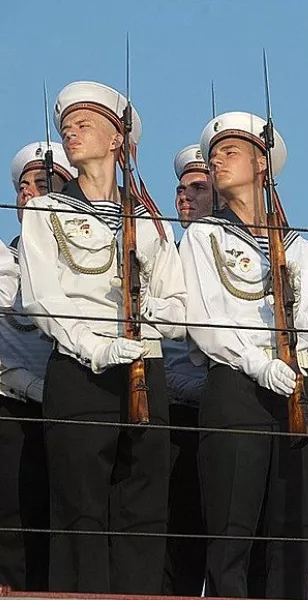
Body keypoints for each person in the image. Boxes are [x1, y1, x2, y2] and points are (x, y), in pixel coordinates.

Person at [19, 81, 187, 594]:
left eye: (84, 124)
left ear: (117, 139)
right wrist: (95, 348)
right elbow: (42, 299)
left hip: (144, 368)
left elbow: (179, 305)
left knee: (143, 508)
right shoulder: (47, 212)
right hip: (79, 369)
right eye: (66, 127)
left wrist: (151, 315)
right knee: (80, 510)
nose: (71, 133)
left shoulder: (147, 219)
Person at [179, 111, 308, 599]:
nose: (217, 162)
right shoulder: (204, 236)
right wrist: (258, 361)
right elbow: (204, 321)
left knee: (292, 538)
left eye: (230, 152)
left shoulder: (300, 250)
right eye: (213, 155)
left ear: (261, 164)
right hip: (236, 386)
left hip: (297, 387)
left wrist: (294, 334)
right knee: (232, 534)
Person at [0, 141, 76, 591]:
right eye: (22, 186)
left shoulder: (87, 266)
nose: (28, 193)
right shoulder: (3, 264)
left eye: (43, 185)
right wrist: (33, 388)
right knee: (15, 531)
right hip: (16, 413)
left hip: (76, 411)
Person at [160, 144, 213, 596]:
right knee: (174, 544)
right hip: (175, 413)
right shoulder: (165, 257)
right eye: (181, 189)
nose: (184, 197)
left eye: (198, 188)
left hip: (222, 411)